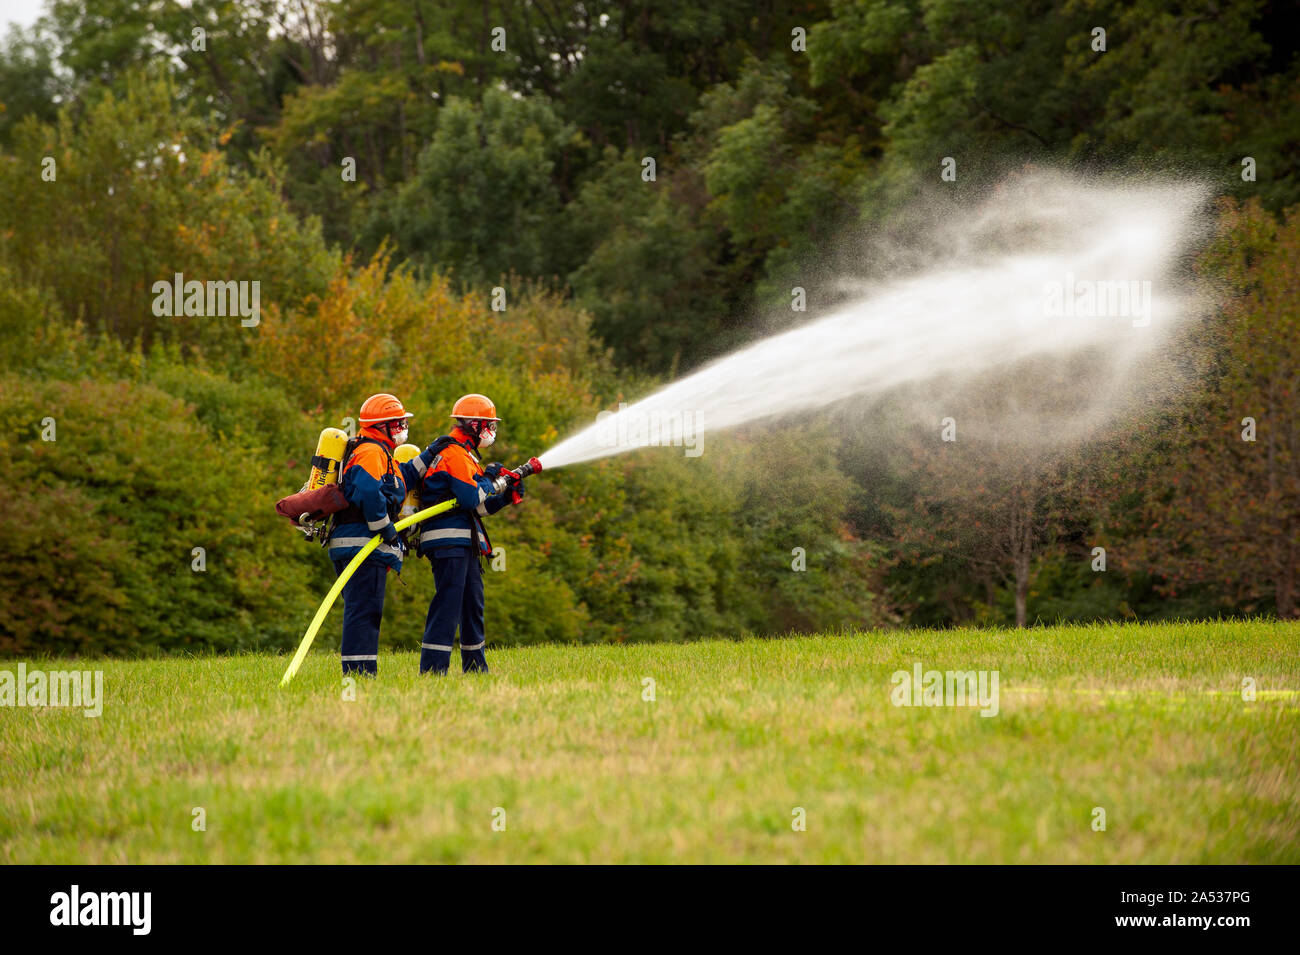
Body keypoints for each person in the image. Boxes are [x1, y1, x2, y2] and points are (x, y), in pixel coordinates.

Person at [411, 393, 525, 674]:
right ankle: (433, 671)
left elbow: (481, 509)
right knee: (448, 604)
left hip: (465, 541)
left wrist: (506, 495)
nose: (492, 431)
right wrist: (490, 480)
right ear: (475, 425)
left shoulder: (465, 456)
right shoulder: (454, 455)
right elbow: (472, 497)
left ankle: (476, 668)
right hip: (447, 542)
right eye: (490, 425)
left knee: (472, 604)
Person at [327, 393, 425, 676]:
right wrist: (386, 528)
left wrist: (429, 454)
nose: (402, 428)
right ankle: (359, 675)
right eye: (398, 423)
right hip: (362, 543)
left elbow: (402, 478)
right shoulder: (371, 452)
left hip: (354, 542)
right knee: (363, 613)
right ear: (381, 426)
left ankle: (361, 671)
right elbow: (369, 492)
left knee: (364, 611)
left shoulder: (378, 452)